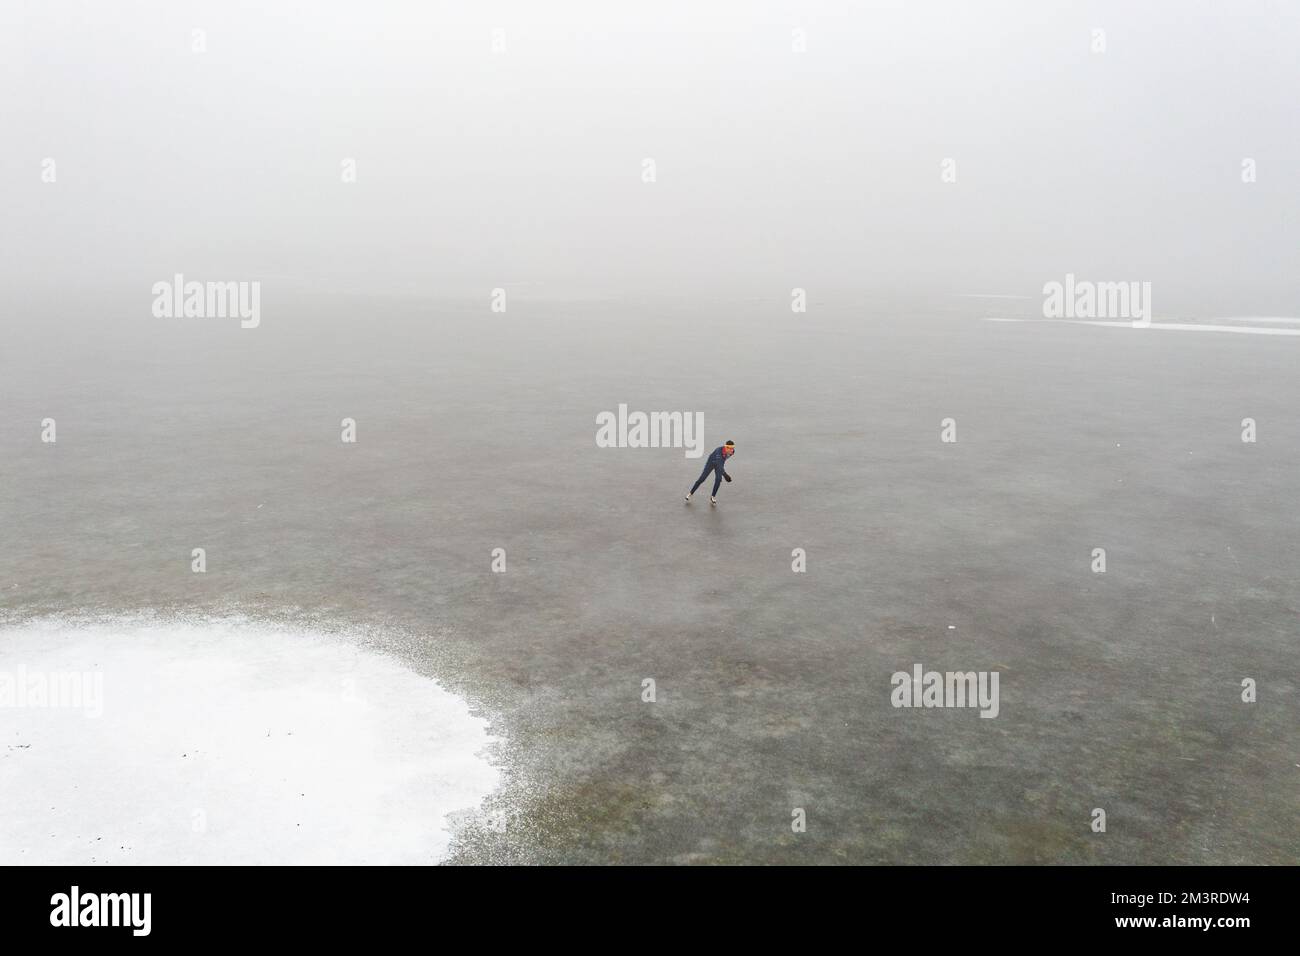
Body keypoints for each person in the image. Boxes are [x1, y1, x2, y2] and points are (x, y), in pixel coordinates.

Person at [685, 441, 735, 505]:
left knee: (718, 479)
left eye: (733, 448)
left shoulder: (732, 452)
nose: (732, 450)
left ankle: (713, 496)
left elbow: (722, 462)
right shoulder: (718, 452)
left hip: (720, 463)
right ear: (726, 447)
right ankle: (690, 493)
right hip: (711, 463)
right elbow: (719, 465)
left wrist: (722, 465)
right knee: (702, 479)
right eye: (730, 448)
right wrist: (725, 475)